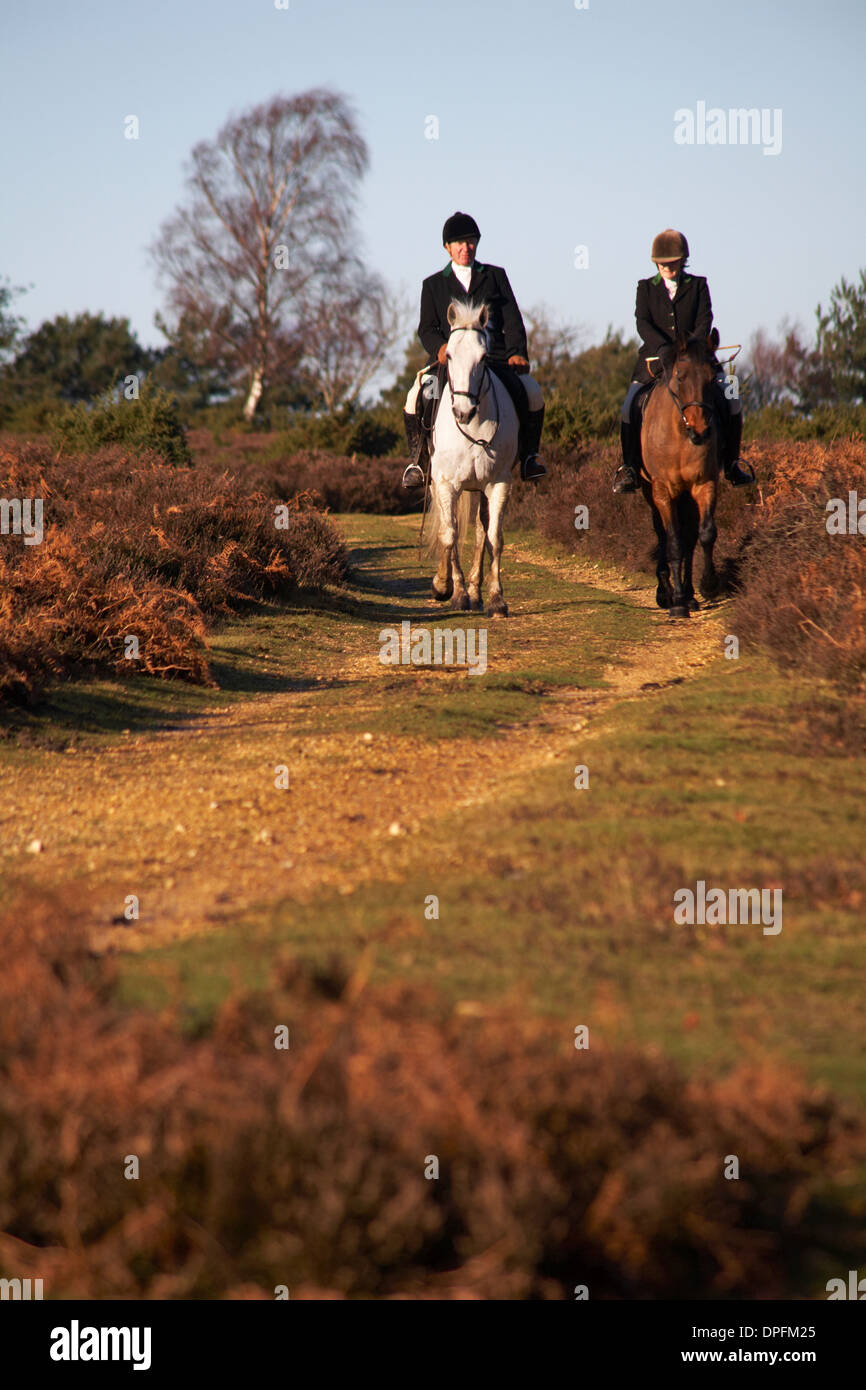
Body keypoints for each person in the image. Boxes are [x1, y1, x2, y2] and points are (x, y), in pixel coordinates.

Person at [402, 211, 546, 488]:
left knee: (532, 393)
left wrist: (517, 353)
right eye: (458, 243)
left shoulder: (494, 276)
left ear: (477, 244)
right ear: (447, 247)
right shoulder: (432, 285)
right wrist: (440, 348)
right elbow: (427, 328)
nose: (465, 248)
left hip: (494, 360)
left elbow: (513, 319)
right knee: (417, 395)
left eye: (470, 242)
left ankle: (529, 457)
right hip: (450, 363)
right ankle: (420, 462)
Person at [613, 229, 755, 493]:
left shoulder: (698, 285)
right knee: (628, 405)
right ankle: (630, 469)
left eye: (673, 261)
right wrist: (665, 348)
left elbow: (705, 318)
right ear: (656, 263)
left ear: (683, 260)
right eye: (663, 262)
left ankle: (733, 464)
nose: (667, 266)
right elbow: (642, 322)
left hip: (697, 360)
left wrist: (693, 348)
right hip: (656, 359)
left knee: (733, 397)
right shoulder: (645, 288)